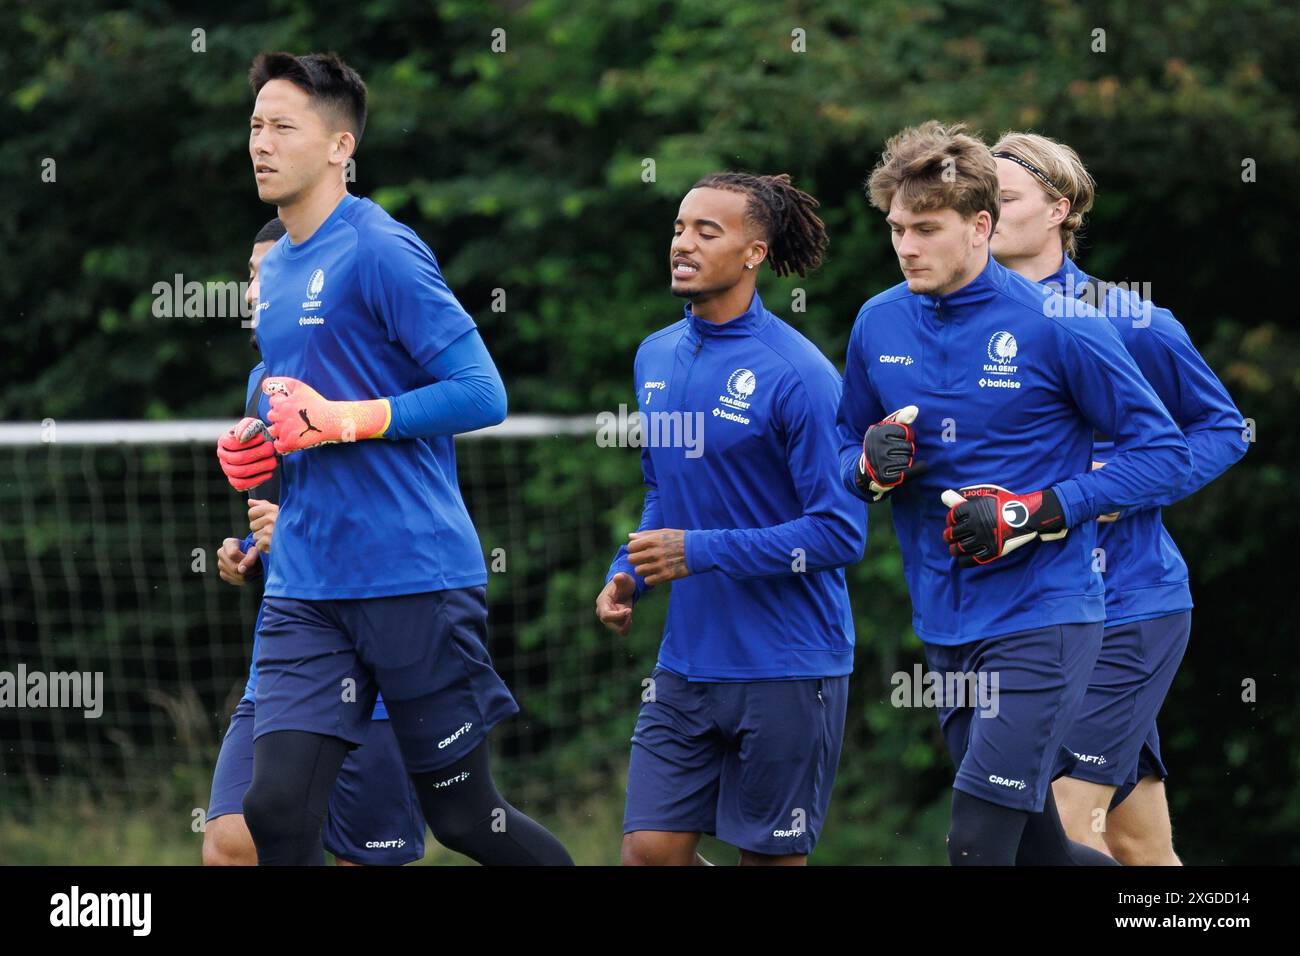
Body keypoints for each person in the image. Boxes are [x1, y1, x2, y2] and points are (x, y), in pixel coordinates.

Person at [217, 51, 571, 865]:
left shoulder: (380, 248)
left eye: (283, 127)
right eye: (254, 126)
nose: (260, 144)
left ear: (341, 146)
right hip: (308, 584)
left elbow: (481, 392)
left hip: (410, 576)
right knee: (273, 810)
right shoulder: (277, 272)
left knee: (464, 819)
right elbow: (300, 411)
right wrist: (259, 448)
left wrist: (346, 420)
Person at [837, 121, 1191, 865]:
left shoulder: (1062, 325)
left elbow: (1162, 454)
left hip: (1046, 618)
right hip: (943, 621)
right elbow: (845, 451)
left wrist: (1035, 512)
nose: (906, 247)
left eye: (926, 229)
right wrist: (866, 467)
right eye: (897, 228)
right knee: (1042, 853)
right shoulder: (877, 321)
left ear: (980, 226)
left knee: (976, 842)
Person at [990, 131, 1247, 864]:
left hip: (1128, 608)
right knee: (1136, 847)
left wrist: (1112, 493)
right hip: (1028, 617)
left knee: (1057, 834)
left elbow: (1223, 430)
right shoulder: (963, 325)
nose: (988, 213)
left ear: (1058, 208)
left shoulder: (1132, 318)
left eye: (1005, 198)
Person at [597, 172, 866, 865]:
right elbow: (662, 490)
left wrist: (701, 551)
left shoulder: (798, 375)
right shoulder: (654, 356)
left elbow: (840, 531)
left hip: (787, 666)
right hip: (686, 667)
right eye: (680, 229)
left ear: (753, 253)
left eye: (706, 232)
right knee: (649, 853)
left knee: (769, 861)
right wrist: (629, 573)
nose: (682, 244)